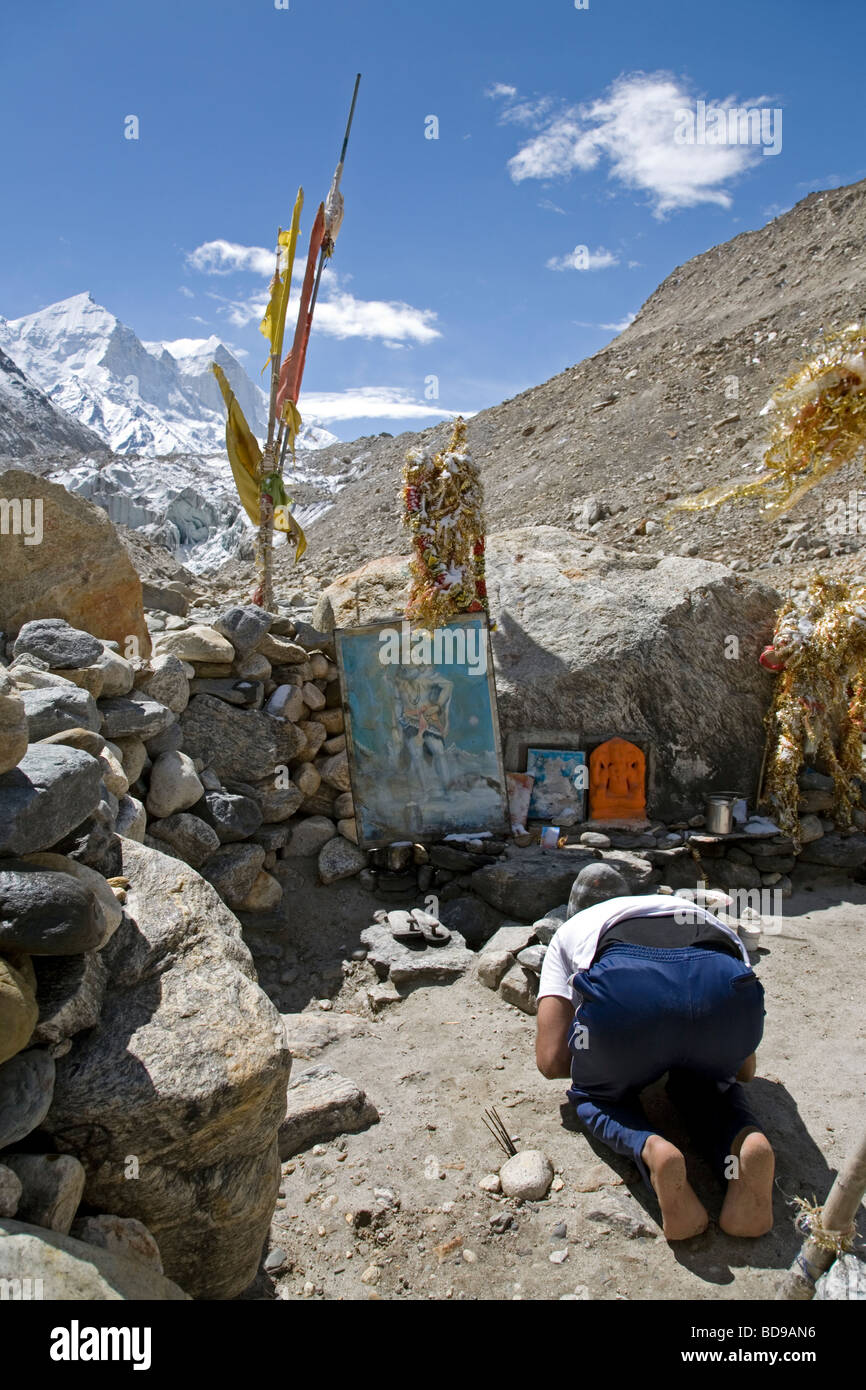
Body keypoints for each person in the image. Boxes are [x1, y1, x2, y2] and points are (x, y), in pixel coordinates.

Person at [535, 892, 775, 1241]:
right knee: (710, 1087)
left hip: (626, 991)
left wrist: (618, 1058)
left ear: (577, 908)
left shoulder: (572, 929)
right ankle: (744, 1145)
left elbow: (551, 1060)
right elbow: (744, 1071)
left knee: (595, 1097)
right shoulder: (698, 915)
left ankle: (653, 1149)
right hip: (723, 987)